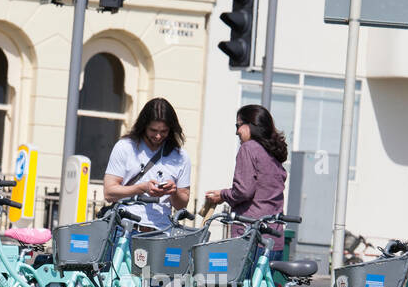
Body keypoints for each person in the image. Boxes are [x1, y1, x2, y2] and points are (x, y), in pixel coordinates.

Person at [203, 104, 288, 256]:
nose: (236, 132)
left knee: (244, 280)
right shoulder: (272, 153)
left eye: (238, 125)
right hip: (274, 239)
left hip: (250, 236)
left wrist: (222, 195)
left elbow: (244, 190)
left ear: (251, 125)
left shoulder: (249, 148)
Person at [102, 98, 190, 232]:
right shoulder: (125, 147)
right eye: (153, 130)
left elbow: (182, 204)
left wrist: (173, 192)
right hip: (124, 227)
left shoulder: (181, 156)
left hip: (160, 232)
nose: (158, 136)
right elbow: (109, 193)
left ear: (172, 130)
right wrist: (142, 188)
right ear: (143, 126)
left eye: (164, 131)